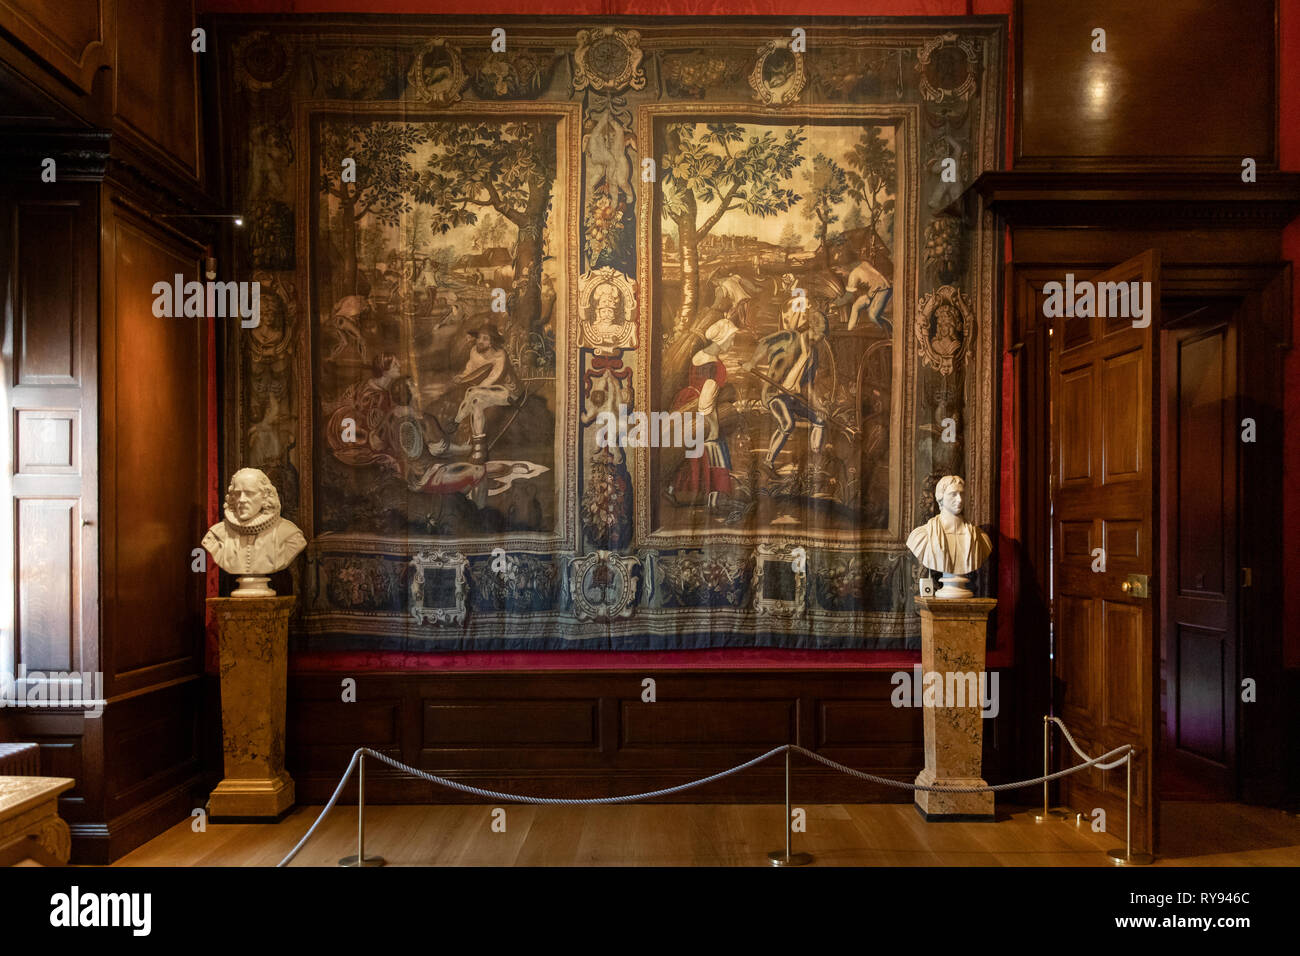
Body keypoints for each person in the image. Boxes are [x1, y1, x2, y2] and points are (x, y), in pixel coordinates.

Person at [667, 318, 737, 509]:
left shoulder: (698, 355)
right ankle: (716, 498)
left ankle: (674, 489)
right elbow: (707, 401)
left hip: (685, 400)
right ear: (722, 340)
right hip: (698, 409)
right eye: (731, 339)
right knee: (716, 446)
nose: (732, 344)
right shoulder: (717, 367)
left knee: (689, 449)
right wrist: (713, 426)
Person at [201, 468, 306, 584]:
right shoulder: (216, 534)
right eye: (237, 493)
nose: (241, 500)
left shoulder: (289, 534)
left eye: (249, 493)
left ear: (265, 496)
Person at [450, 325, 521, 464]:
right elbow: (470, 369)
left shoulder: (500, 355)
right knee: (476, 404)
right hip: (488, 391)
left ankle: (456, 421)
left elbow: (493, 378)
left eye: (485, 339)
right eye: (479, 338)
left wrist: (478, 390)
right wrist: (461, 377)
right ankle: (480, 449)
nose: (480, 341)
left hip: (508, 392)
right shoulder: (474, 352)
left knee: (472, 392)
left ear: (492, 342)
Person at [906, 475, 992, 576]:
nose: (960, 500)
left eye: (962, 494)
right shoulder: (921, 536)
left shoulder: (980, 538)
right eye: (953, 494)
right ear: (940, 497)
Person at [842, 253, 892, 333]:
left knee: (873, 315)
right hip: (876, 289)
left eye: (842, 272)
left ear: (844, 268)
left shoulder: (854, 274)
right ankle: (850, 330)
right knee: (856, 307)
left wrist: (868, 297)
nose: (842, 274)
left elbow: (850, 295)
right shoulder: (863, 265)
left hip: (883, 289)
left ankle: (889, 331)